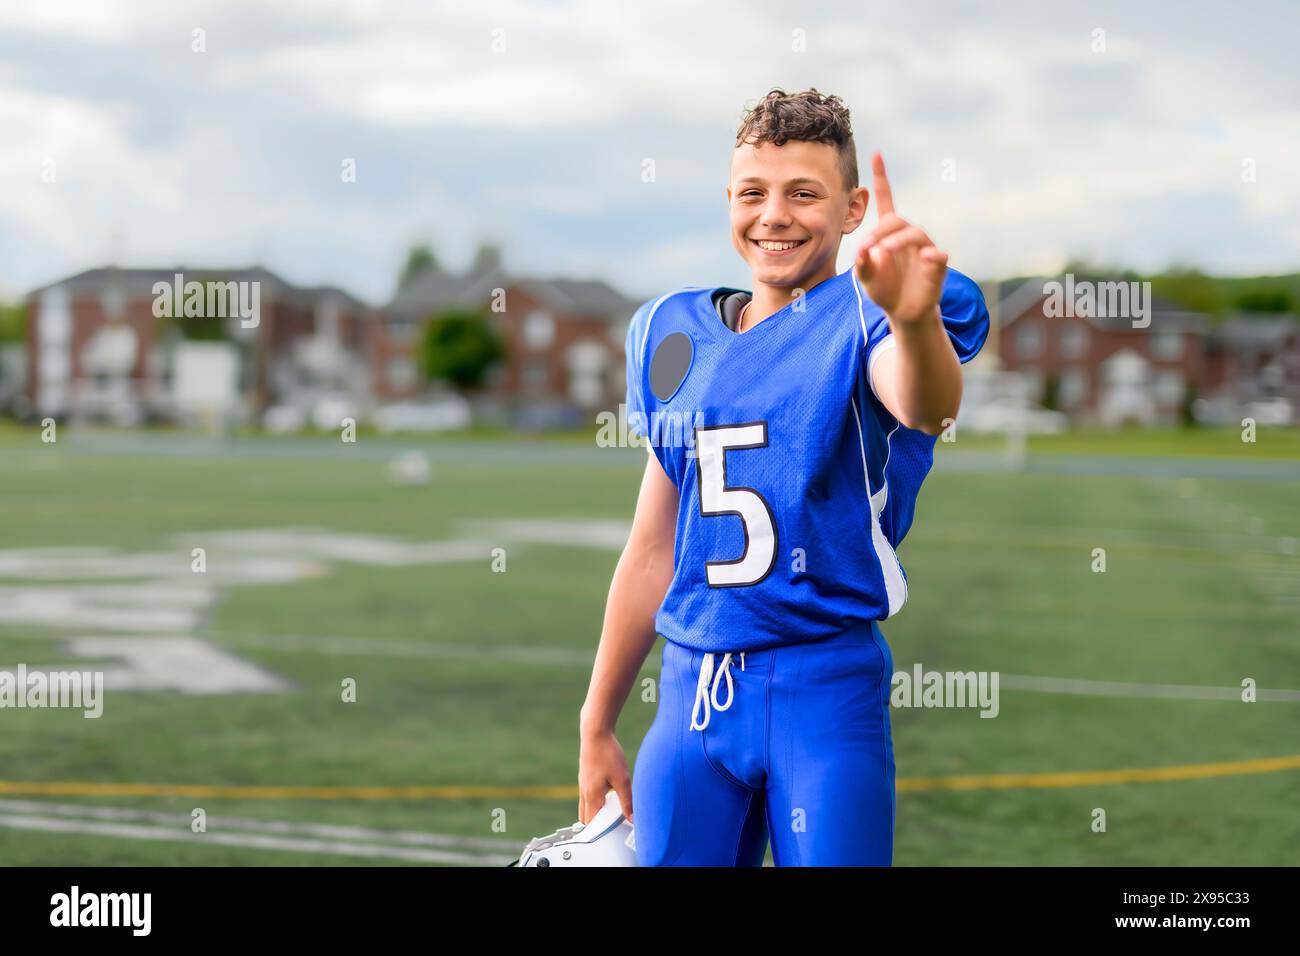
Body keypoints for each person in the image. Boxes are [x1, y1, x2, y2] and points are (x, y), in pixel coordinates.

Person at [578, 88, 989, 865]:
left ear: (853, 207)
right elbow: (650, 549)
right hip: (690, 694)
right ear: (728, 201)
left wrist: (910, 318)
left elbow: (925, 404)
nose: (776, 215)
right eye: (754, 193)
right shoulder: (674, 335)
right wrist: (597, 719)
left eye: (805, 193)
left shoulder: (867, 316)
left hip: (823, 686)